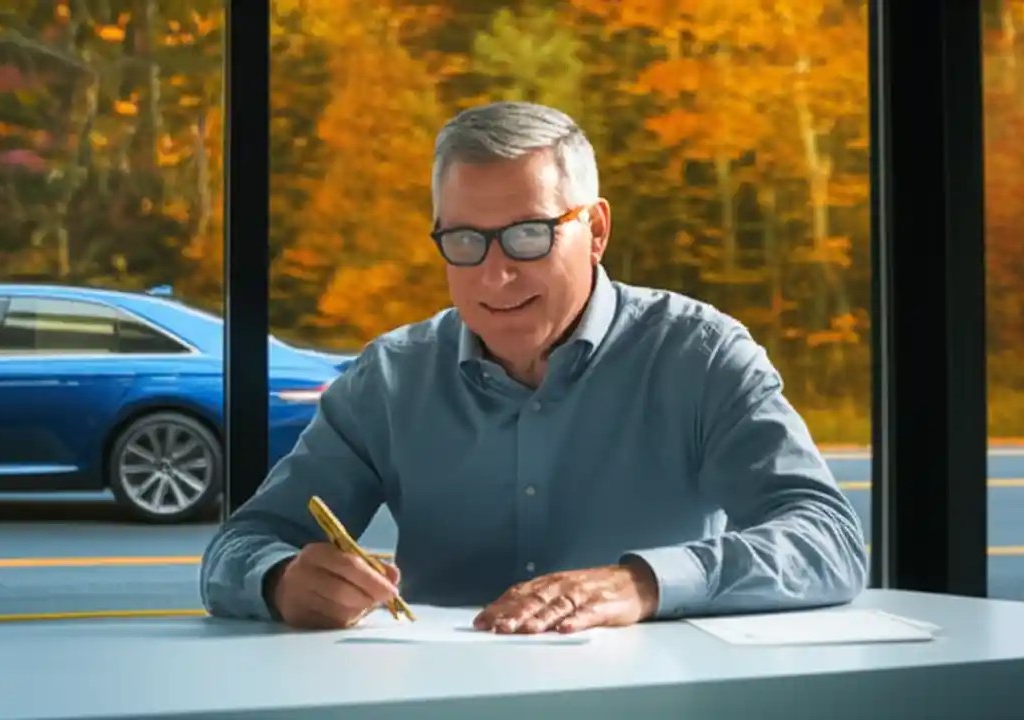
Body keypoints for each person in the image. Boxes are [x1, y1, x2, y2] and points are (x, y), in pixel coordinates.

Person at [199, 100, 867, 634]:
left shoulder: (701, 356)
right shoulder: (390, 380)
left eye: (529, 234)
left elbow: (828, 541)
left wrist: (641, 583)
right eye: (464, 241)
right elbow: (239, 547)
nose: (495, 272)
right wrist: (280, 580)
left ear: (597, 231)